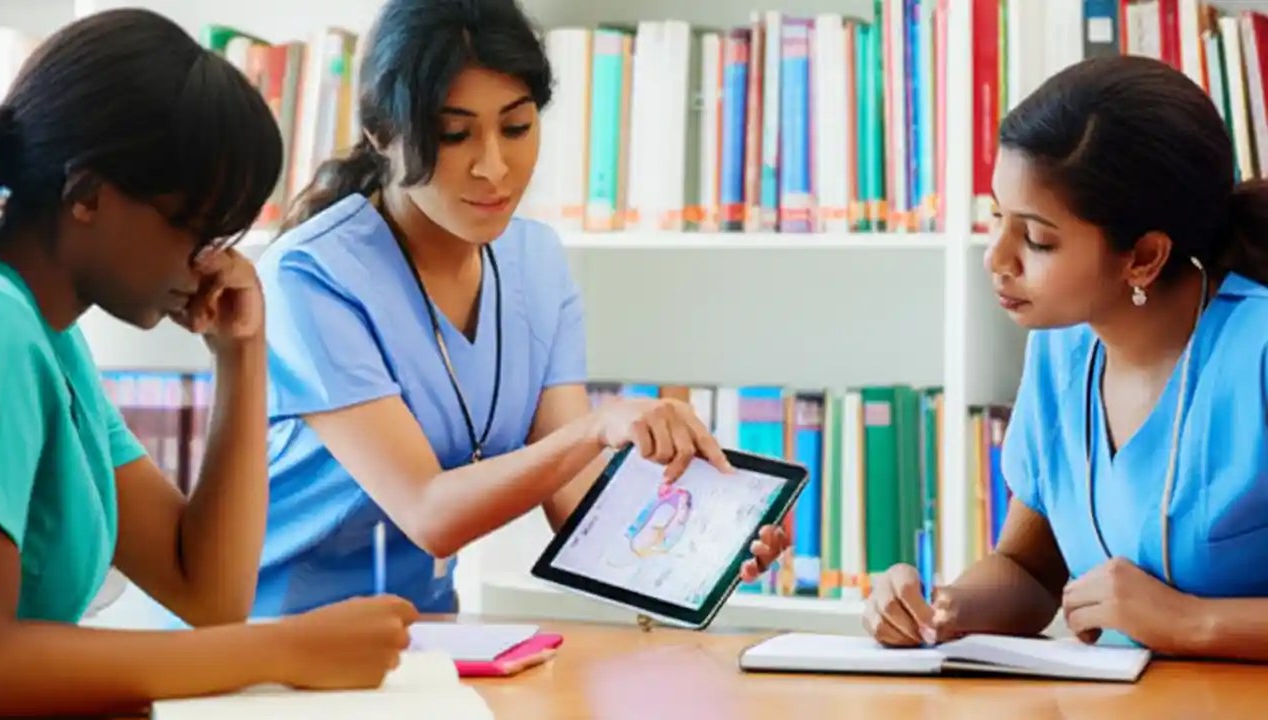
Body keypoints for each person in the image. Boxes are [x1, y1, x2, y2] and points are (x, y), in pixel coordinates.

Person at [253, 0, 789, 617]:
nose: (494, 166)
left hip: (418, 639)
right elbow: (430, 514)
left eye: (516, 127)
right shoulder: (309, 276)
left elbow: (576, 503)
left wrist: (710, 546)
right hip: (266, 639)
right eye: (454, 134)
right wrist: (597, 426)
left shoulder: (536, 260)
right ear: (382, 135)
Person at [0, 10, 419, 715]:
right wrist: (284, 650)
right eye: (193, 227)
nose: (208, 263)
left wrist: (241, 355)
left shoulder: (50, 339)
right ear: (87, 196)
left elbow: (207, 593)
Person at [863, 54, 1268, 661]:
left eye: (1037, 238)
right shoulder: (1061, 351)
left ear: (1144, 257)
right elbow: (1028, 572)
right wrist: (940, 611)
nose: (996, 258)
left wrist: (1191, 622)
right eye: (997, 217)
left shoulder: (1256, 353)